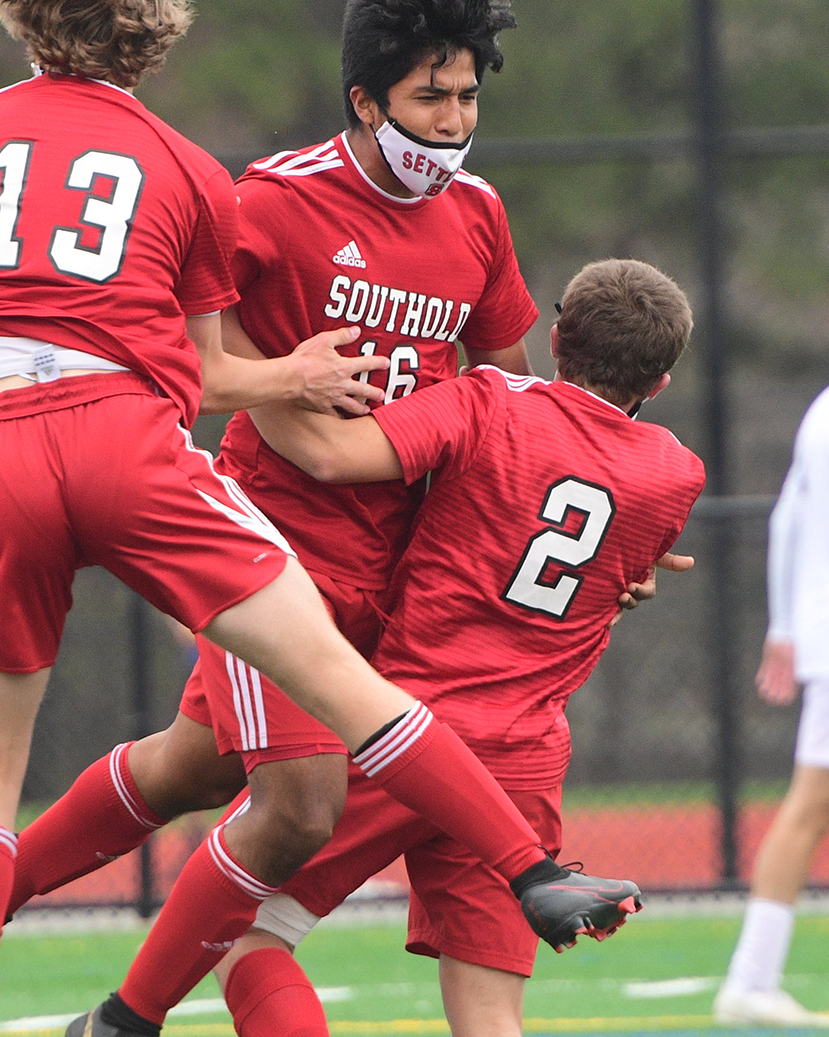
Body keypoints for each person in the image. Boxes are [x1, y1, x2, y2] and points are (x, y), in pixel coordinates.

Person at [0, 0, 640, 1037]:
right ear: (364, 99)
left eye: (467, 96)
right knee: (299, 808)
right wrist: (308, 404)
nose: (453, 120)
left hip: (403, 567)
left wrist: (602, 517)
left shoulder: (478, 214)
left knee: (193, 770)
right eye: (429, 96)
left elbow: (511, 398)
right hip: (282, 532)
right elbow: (194, 372)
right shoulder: (261, 199)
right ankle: (119, 1012)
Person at [203, 257, 705, 1037]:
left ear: (556, 332)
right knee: (489, 1018)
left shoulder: (487, 398)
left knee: (237, 935)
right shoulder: (676, 473)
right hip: (526, 759)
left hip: (408, 732)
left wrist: (261, 368)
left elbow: (332, 455)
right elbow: (606, 548)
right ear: (662, 382)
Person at [714, 385, 829, 1027]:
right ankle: (751, 979)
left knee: (810, 803)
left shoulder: (819, 407)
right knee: (811, 803)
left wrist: (786, 625)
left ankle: (751, 978)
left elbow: (788, 516)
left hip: (820, 629)